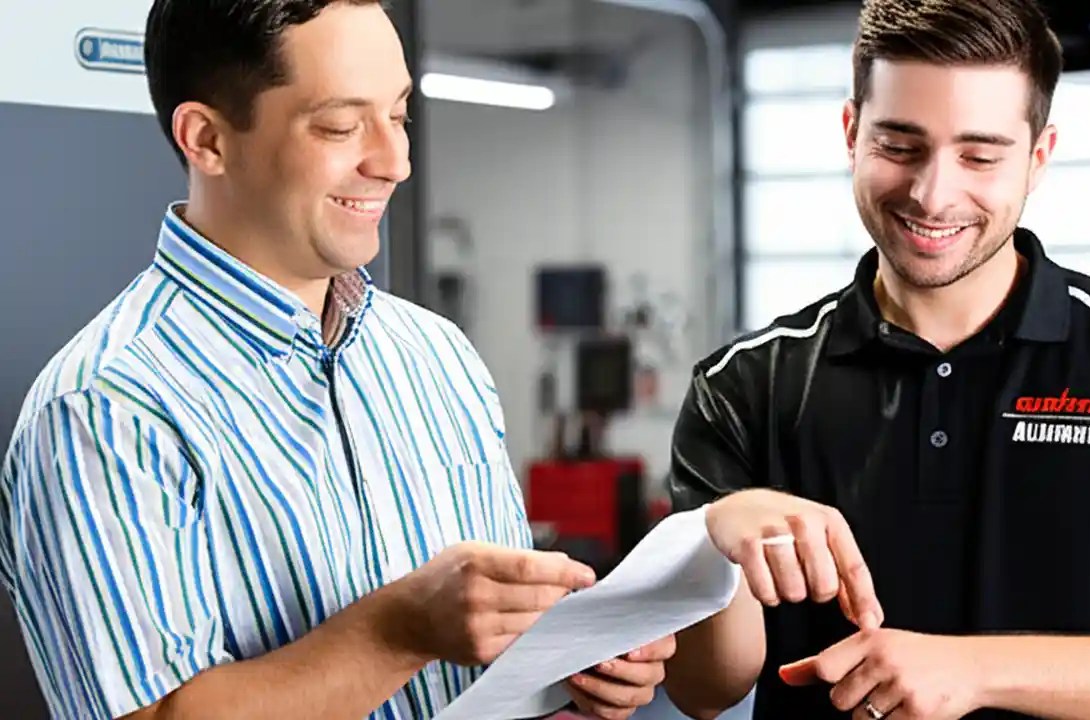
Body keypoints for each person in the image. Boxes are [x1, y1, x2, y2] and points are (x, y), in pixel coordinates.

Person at [0, 2, 673, 719]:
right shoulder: (104, 409)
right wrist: (397, 631)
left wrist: (576, 668)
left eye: (400, 115)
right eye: (341, 126)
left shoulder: (436, 357)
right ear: (207, 140)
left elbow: (493, 664)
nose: (394, 162)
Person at [661, 0, 1090, 718]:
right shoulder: (743, 384)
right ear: (851, 131)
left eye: (979, 156)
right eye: (899, 145)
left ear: (1037, 157)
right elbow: (708, 690)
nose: (932, 193)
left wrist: (975, 670)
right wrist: (716, 540)